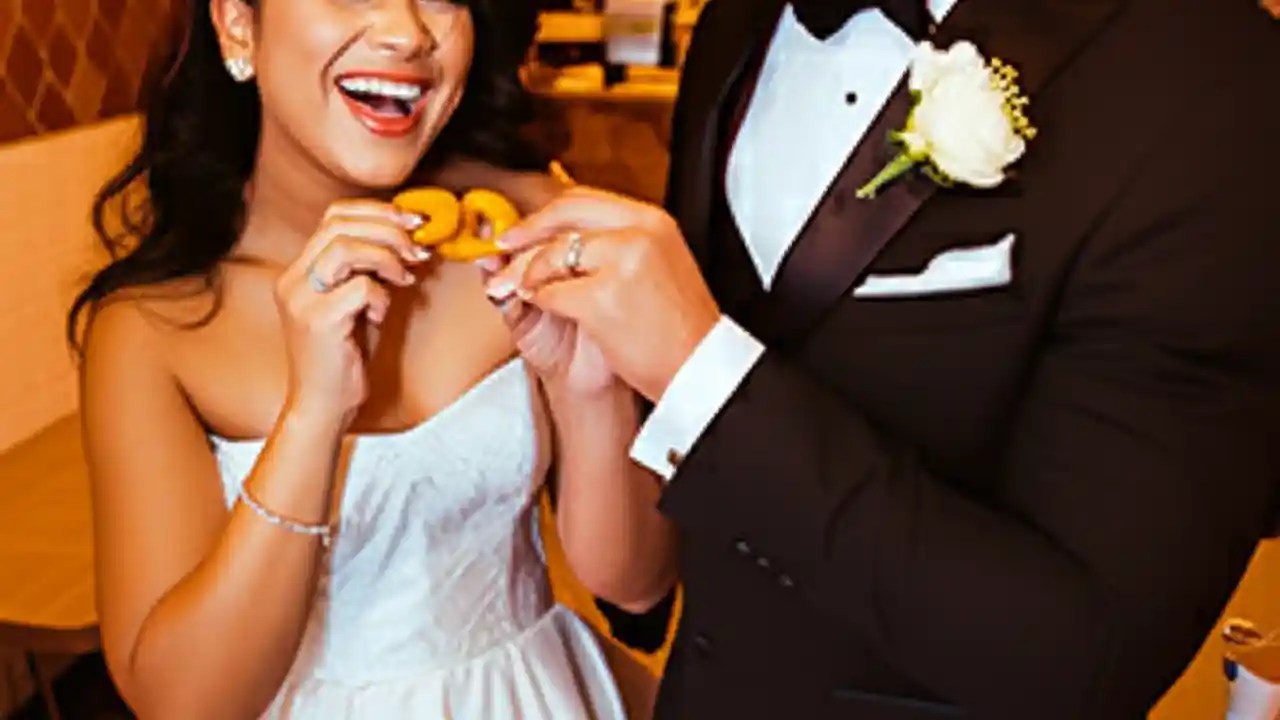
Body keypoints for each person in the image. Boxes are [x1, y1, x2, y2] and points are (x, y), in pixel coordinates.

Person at [485, 0, 1280, 717]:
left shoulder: (1209, 71)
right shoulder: (739, 23)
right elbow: (666, 563)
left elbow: (1089, 658)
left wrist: (704, 375)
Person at [69, 0, 675, 717]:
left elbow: (637, 581)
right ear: (237, 23)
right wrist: (312, 418)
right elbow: (183, 703)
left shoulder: (529, 227)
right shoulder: (151, 328)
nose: (407, 32)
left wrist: (591, 390)